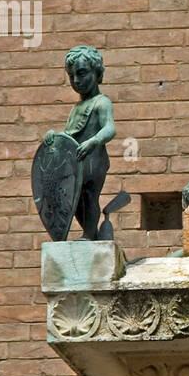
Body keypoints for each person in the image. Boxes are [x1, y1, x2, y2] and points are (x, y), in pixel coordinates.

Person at [46, 46, 115, 240]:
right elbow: (69, 135)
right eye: (72, 76)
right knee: (74, 200)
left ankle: (89, 233)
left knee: (90, 196)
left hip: (94, 160)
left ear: (97, 73)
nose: (76, 80)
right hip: (76, 162)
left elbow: (110, 128)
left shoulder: (101, 102)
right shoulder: (76, 108)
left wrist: (94, 141)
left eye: (82, 73)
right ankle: (92, 233)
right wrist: (54, 138)